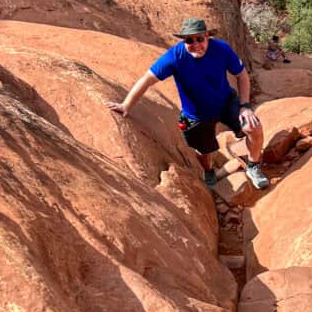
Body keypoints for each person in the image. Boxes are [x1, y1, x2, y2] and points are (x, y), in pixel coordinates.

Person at [108, 17, 270, 191]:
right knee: (203, 151)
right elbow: (147, 79)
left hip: (225, 102)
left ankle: (253, 167)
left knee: (254, 127)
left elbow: (242, 75)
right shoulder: (175, 57)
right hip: (197, 114)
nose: (195, 44)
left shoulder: (221, 49)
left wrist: (245, 106)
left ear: (207, 36)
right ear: (183, 41)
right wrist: (125, 105)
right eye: (189, 40)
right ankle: (209, 171)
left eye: (199, 38)